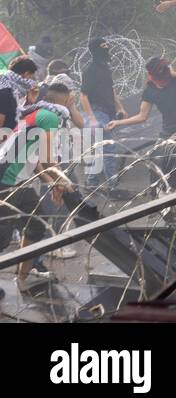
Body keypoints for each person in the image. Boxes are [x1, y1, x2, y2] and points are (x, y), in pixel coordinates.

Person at [0, 77, 79, 287]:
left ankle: (22, 277)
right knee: (2, 238)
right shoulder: (51, 117)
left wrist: (54, 183)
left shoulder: (36, 113)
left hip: (15, 182)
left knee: (35, 225)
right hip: (5, 182)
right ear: (68, 99)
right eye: (72, 100)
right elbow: (47, 159)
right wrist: (65, 184)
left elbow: (35, 161)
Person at [78, 38, 126, 188]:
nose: (106, 48)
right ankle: (113, 184)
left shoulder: (105, 68)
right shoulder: (90, 70)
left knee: (101, 147)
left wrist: (120, 108)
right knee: (108, 148)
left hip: (108, 111)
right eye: (103, 46)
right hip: (97, 112)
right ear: (95, 50)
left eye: (107, 46)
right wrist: (92, 119)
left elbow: (111, 90)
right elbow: (83, 96)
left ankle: (92, 182)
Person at [109, 56, 176, 138]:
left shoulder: (175, 79)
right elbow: (142, 116)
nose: (161, 82)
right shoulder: (150, 90)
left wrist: (174, 73)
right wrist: (118, 122)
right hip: (169, 130)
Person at [0, 57, 39, 132]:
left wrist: (29, 101)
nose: (31, 81)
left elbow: (15, 115)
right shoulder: (5, 91)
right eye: (30, 77)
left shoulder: (13, 90)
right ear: (26, 74)